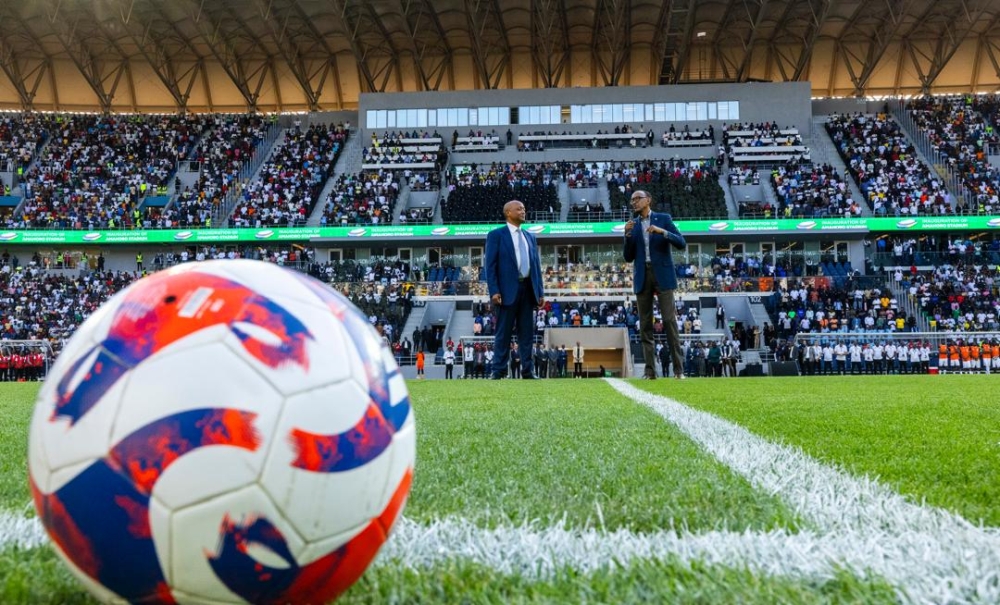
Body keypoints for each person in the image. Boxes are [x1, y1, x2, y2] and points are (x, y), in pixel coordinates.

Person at [623, 189, 686, 380]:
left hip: (663, 275)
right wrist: (626, 237)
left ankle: (678, 370)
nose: (634, 202)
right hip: (643, 276)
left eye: (637, 199)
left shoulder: (663, 218)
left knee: (669, 321)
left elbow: (681, 243)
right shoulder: (632, 226)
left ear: (648, 200)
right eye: (632, 200)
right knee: (645, 325)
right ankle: (650, 371)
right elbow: (628, 257)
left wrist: (662, 232)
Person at [485, 199, 544, 379]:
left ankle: (528, 371)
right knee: (503, 333)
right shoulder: (496, 235)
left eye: (524, 209)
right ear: (508, 213)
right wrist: (494, 291)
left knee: (527, 333)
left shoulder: (530, 237)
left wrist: (540, 292)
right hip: (505, 292)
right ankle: (498, 371)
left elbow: (536, 266)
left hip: (528, 289)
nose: (523, 211)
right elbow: (490, 265)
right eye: (519, 209)